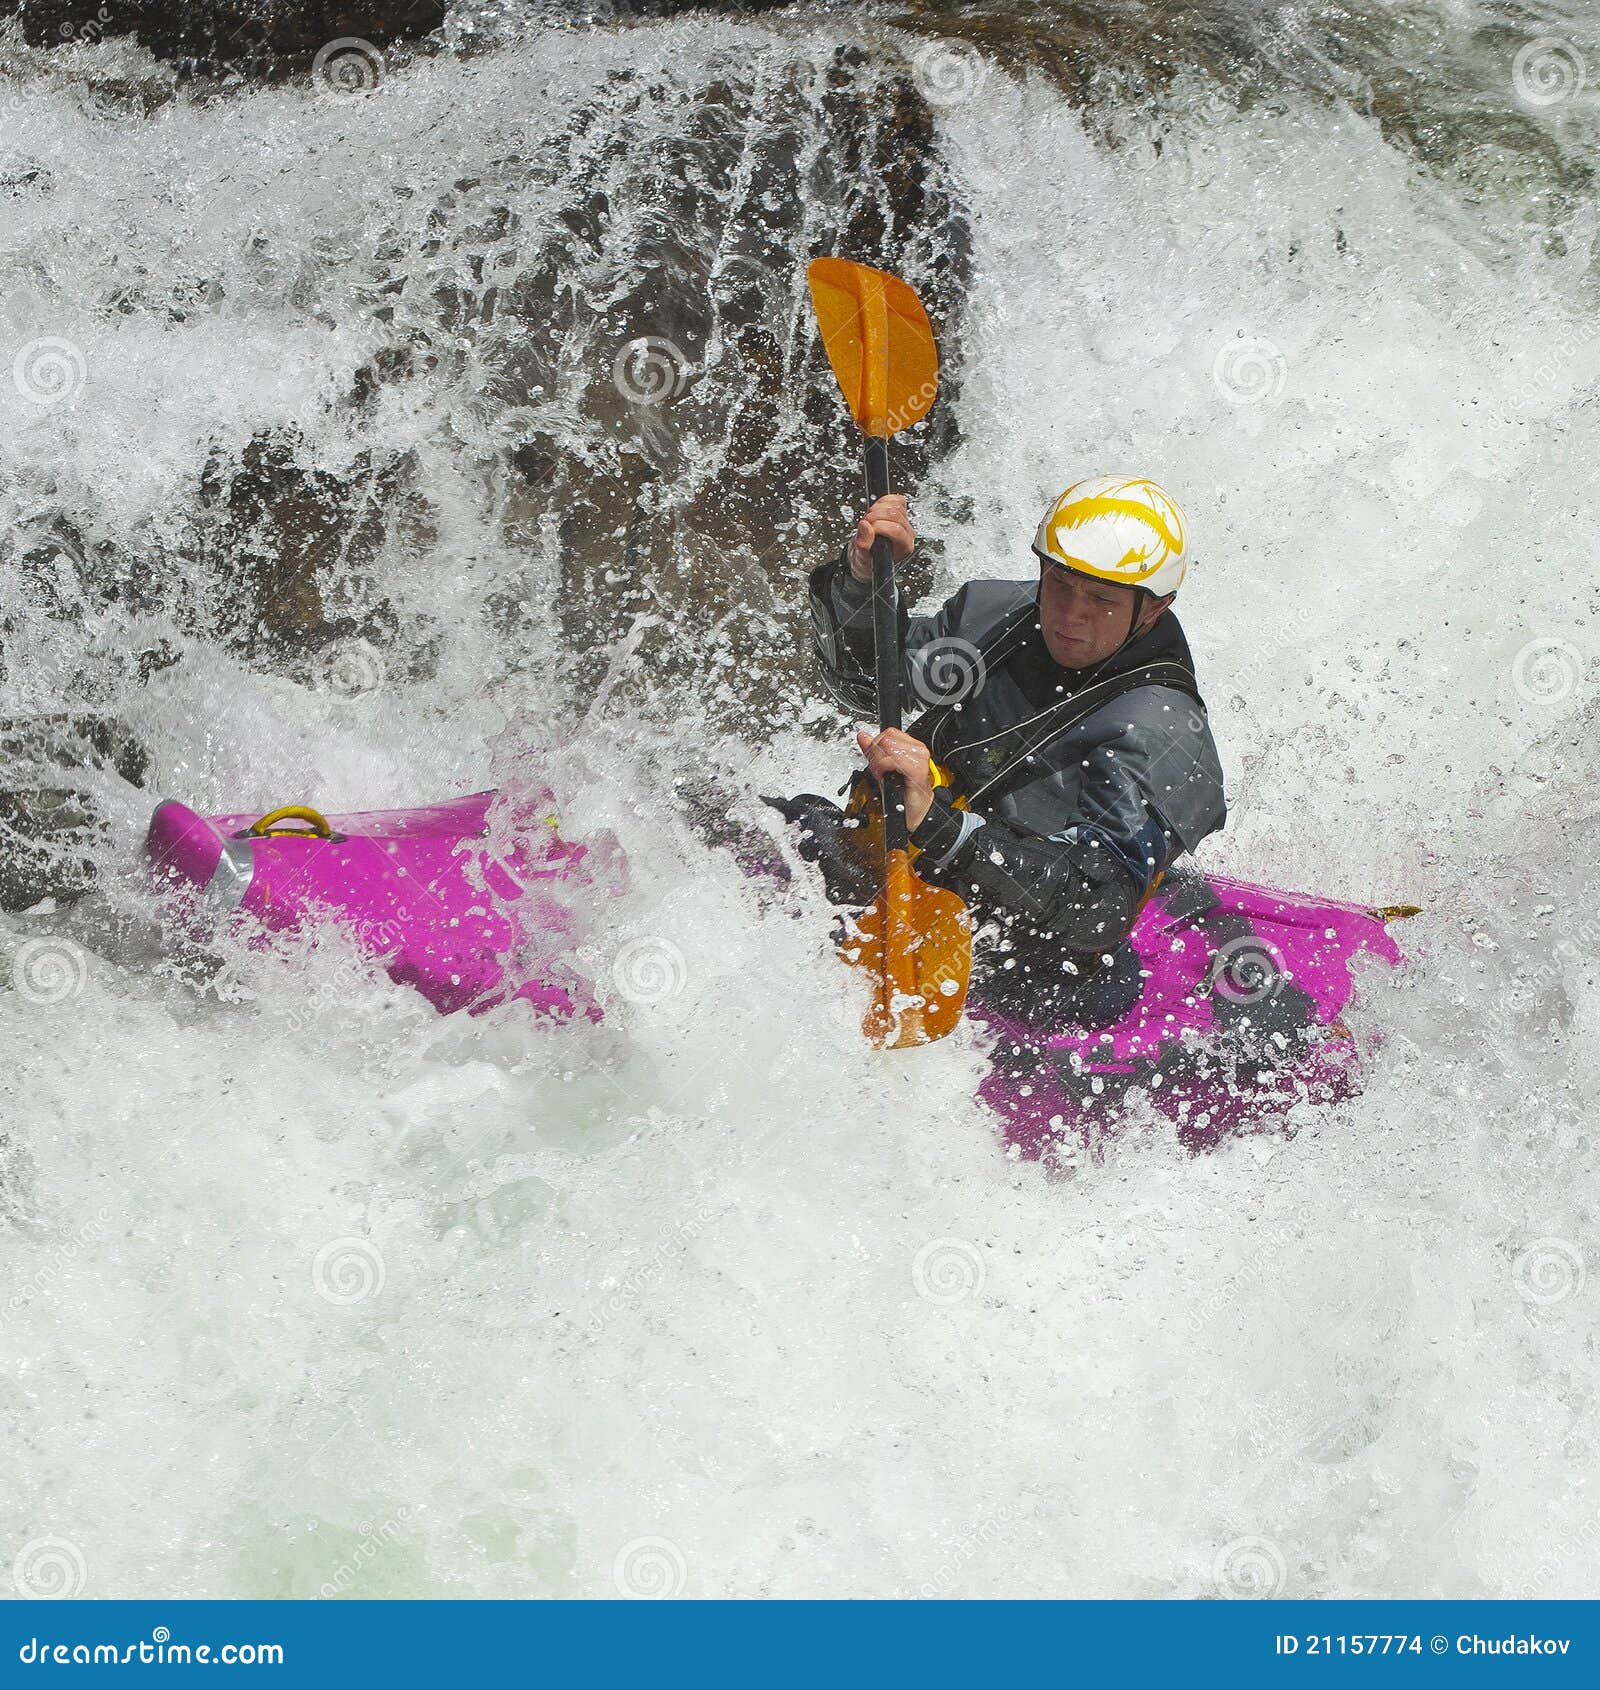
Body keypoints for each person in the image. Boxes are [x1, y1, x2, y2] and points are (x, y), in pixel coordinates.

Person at [771, 474, 1227, 1028]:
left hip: (1033, 954)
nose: (1069, 615)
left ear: (1154, 609)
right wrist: (864, 585)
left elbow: (1096, 912)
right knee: (747, 825)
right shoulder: (996, 618)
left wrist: (936, 825)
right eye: (1059, 584)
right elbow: (866, 685)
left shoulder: (1161, 733)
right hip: (907, 868)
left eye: (1102, 600)